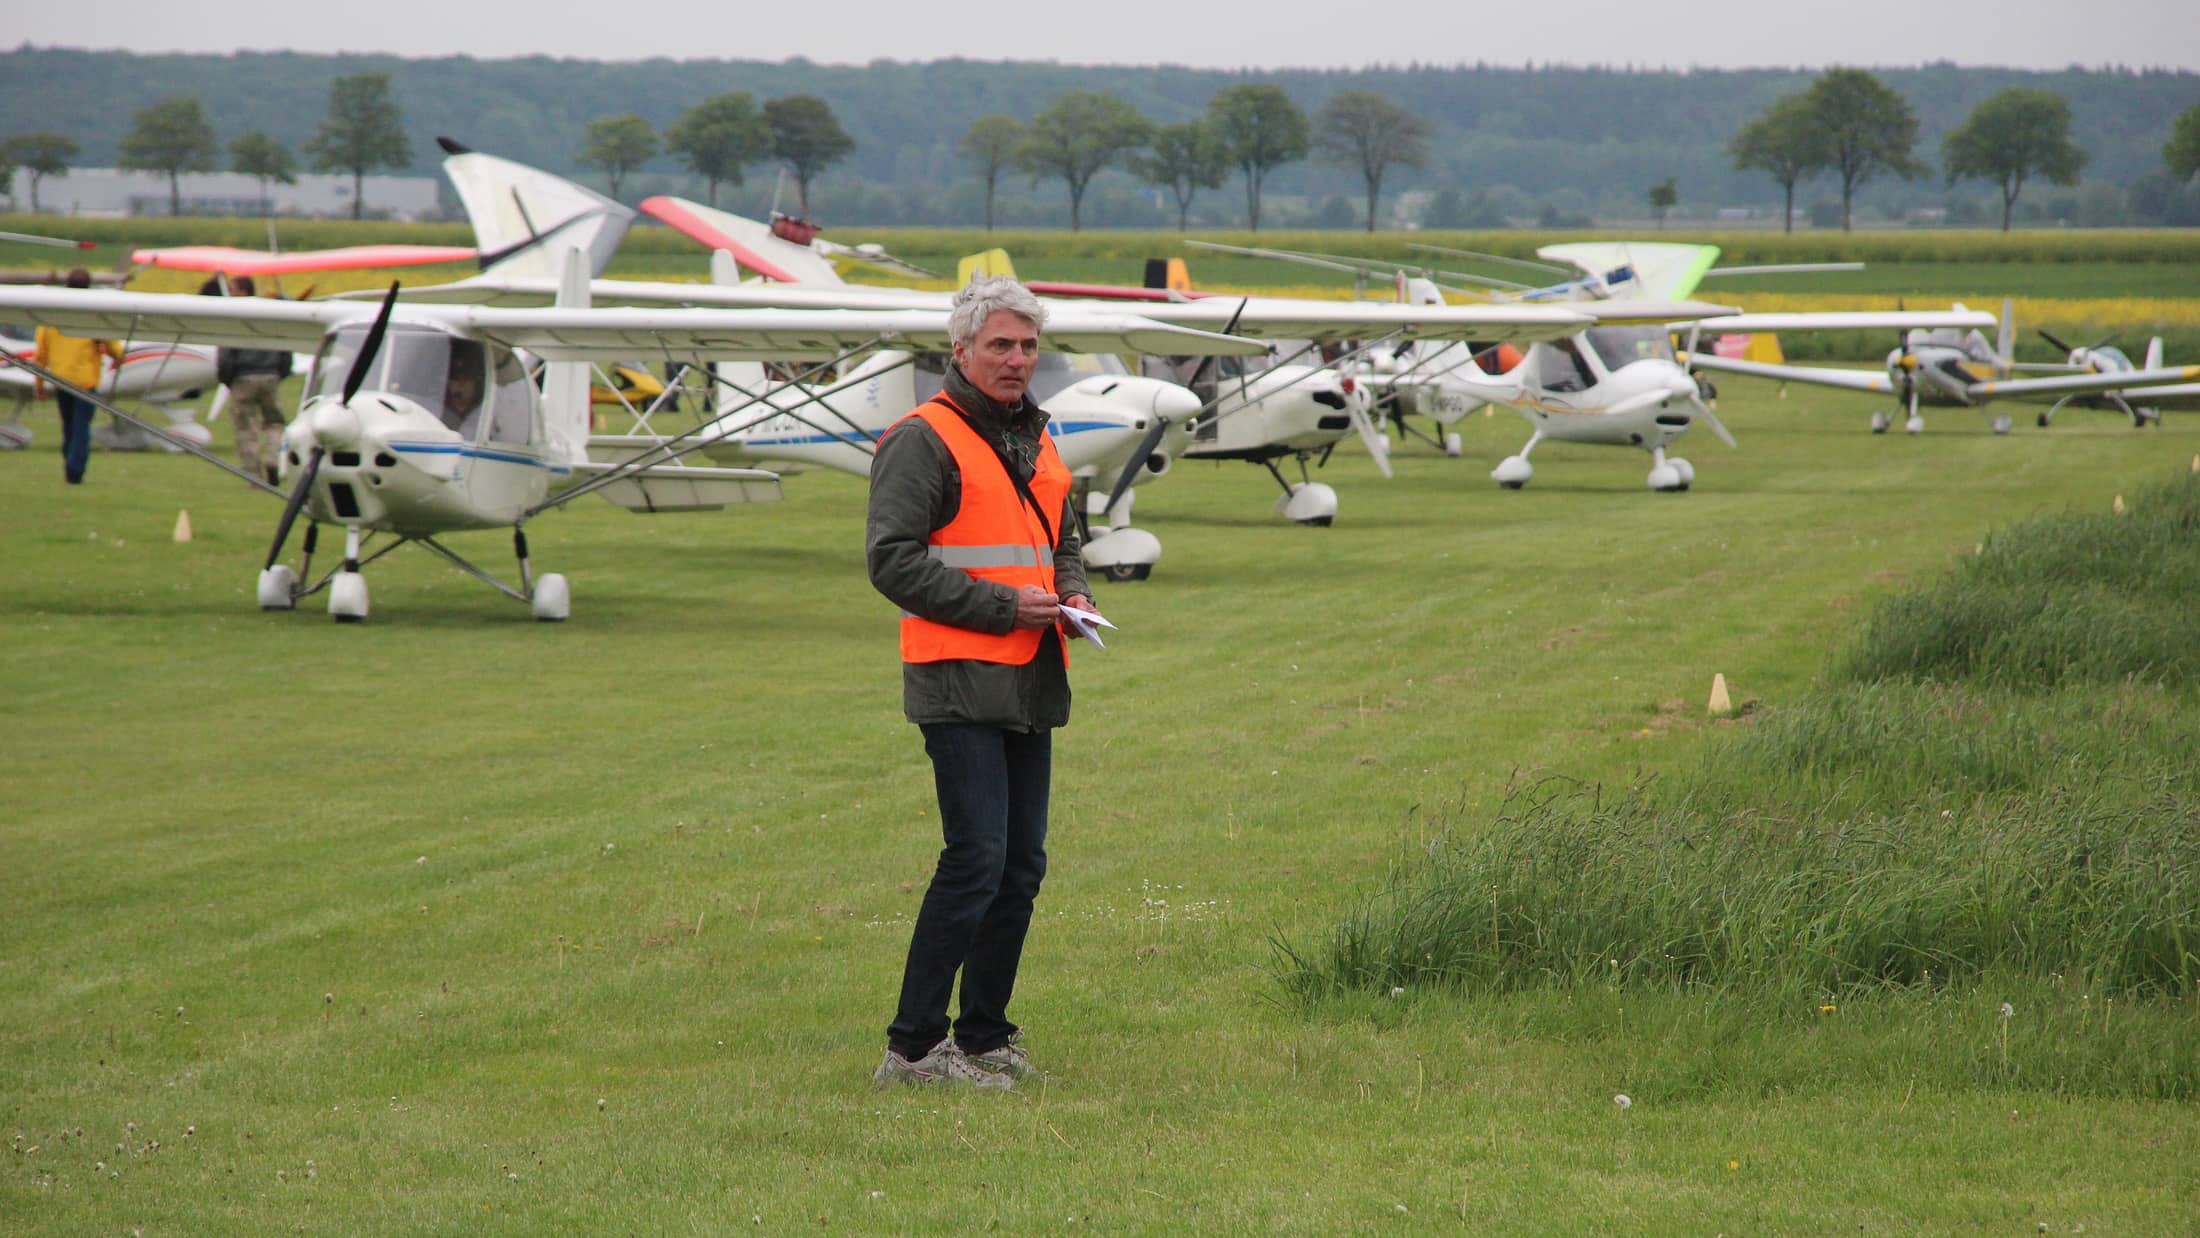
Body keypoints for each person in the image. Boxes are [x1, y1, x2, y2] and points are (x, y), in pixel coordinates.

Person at [865, 275, 1097, 1089]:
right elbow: (891, 562)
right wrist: (1007, 606)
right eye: (1000, 344)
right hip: (958, 676)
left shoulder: (1038, 435)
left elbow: (1065, 535)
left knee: (1020, 866)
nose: (1017, 358)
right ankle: (915, 1050)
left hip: (1031, 673)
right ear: (958, 351)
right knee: (976, 858)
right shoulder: (922, 438)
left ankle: (987, 1034)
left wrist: (1072, 593)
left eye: (1029, 345)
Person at [31, 268, 121, 485]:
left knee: (69, 426)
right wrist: (120, 356)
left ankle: (70, 464)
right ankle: (74, 469)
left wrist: (39, 383)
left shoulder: (52, 317)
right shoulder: (91, 317)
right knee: (80, 427)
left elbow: (41, 355)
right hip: (85, 382)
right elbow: (113, 346)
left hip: (61, 380)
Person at [214, 275, 294, 484]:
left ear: (243, 291)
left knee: (245, 428)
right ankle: (272, 460)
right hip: (271, 377)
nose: (230, 294)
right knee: (275, 423)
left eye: (233, 289)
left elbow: (225, 355)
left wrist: (227, 380)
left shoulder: (233, 317)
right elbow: (284, 348)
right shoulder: (268, 313)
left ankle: (253, 475)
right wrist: (280, 373)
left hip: (243, 379)